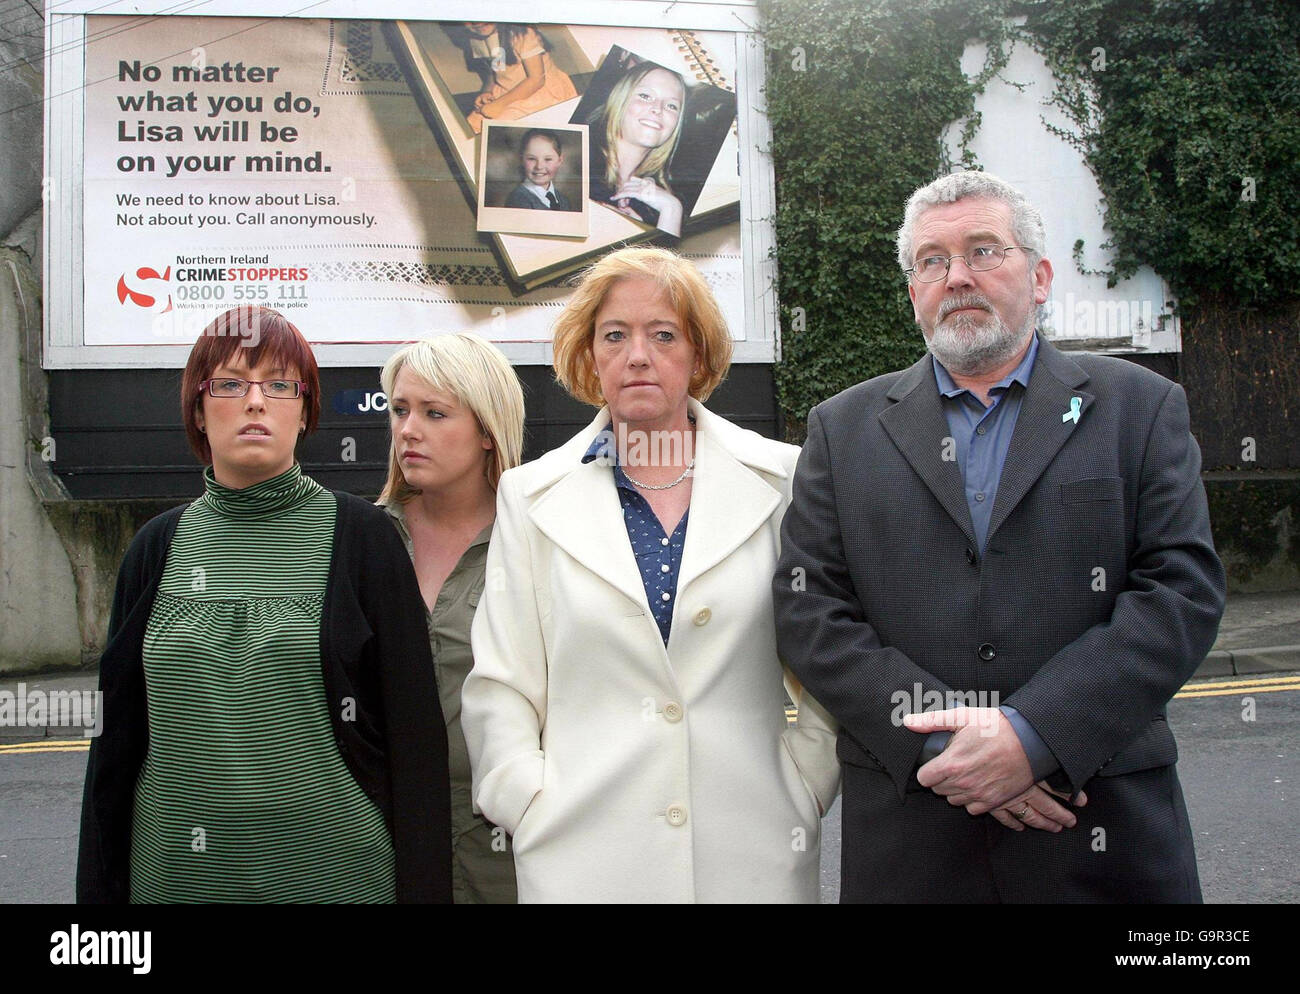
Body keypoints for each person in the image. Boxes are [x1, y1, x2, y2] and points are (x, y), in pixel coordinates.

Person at [773, 170, 1226, 903]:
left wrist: (1034, 737)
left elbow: (1180, 593)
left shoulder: (1139, 408)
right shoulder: (841, 428)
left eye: (984, 251)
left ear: (1041, 277)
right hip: (915, 845)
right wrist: (954, 748)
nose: (957, 277)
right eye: (931, 261)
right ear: (913, 287)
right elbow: (810, 613)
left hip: (1100, 838)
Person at [461, 246, 839, 903]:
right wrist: (528, 802)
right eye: (615, 335)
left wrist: (806, 781)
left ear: (698, 354)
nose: (638, 354)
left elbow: (831, 652)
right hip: (580, 861)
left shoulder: (784, 480)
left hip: (753, 855)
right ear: (589, 356)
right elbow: (502, 685)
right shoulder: (530, 496)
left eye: (663, 334)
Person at [77, 306, 452, 904]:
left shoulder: (362, 539)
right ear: (198, 410)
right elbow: (114, 749)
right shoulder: (155, 548)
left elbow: (416, 743)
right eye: (230, 383)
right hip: (176, 878)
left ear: (305, 411)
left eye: (279, 385)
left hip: (338, 879)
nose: (256, 402)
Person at [377, 333, 526, 904]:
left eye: (435, 413)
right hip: (388, 852)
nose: (408, 429)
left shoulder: (539, 536)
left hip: (512, 853)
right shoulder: (361, 541)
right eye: (400, 410)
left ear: (488, 431)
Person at [587, 61, 686, 236]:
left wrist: (671, 209)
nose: (658, 109)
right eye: (645, 96)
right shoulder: (577, 165)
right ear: (620, 100)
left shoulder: (661, 200)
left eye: (672, 106)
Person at [461, 22, 577, 135]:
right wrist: (486, 91)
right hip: (506, 91)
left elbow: (537, 80)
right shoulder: (476, 38)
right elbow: (492, 73)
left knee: (498, 130)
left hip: (537, 91)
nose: (477, 22)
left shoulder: (522, 32)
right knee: (471, 125)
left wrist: (499, 105)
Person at [504, 129, 573, 211]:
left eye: (548, 159)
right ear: (521, 159)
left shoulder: (563, 200)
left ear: (559, 161)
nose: (539, 166)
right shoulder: (517, 200)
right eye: (531, 158)